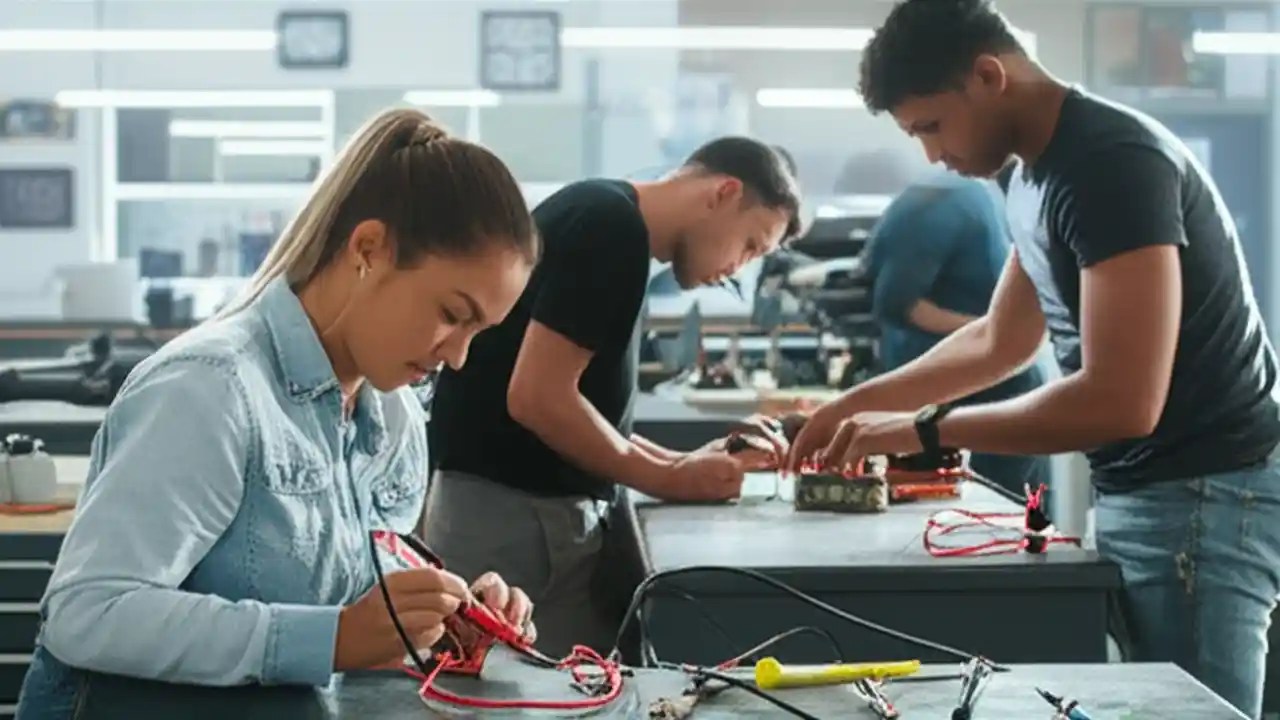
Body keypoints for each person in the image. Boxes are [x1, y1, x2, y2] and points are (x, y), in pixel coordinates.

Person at [786, 2, 1280, 717]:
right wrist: (855, 405)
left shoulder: (1110, 165)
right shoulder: (1029, 174)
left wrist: (924, 430)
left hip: (1205, 492)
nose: (931, 154)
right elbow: (1002, 340)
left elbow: (1120, 401)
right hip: (1154, 490)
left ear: (989, 76)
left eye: (931, 125)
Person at [17, 109, 541, 718]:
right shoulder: (210, 390)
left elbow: (342, 587)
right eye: (452, 315)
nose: (458, 357)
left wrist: (437, 617)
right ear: (368, 249)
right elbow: (87, 613)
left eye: (479, 332)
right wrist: (334, 637)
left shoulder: (391, 415)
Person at [426, 137, 803, 656]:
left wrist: (681, 462)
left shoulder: (605, 214)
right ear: (724, 193)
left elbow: (585, 410)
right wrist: (667, 477)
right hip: (514, 522)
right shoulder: (611, 228)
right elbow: (538, 398)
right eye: (751, 245)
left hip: (517, 514)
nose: (738, 268)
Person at [865, 171, 1049, 495]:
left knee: (1004, 516)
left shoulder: (963, 198)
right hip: (963, 395)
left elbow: (896, 300)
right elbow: (897, 303)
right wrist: (997, 332)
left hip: (987, 395)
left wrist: (1000, 332)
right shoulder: (942, 201)